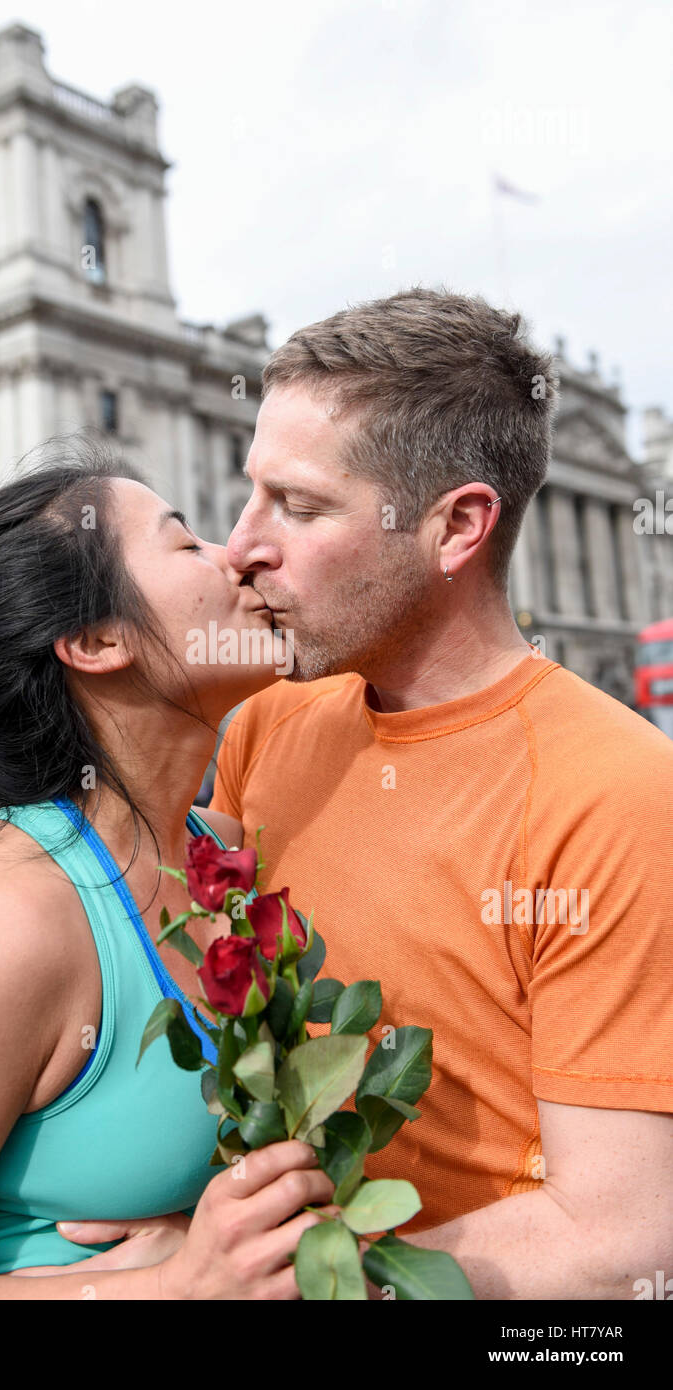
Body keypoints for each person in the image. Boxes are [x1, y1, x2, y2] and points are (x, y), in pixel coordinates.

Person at [50, 288, 673, 1300]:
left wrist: (298, 1274)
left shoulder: (619, 792)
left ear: (457, 527)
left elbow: (617, 1238)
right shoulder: (265, 722)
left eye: (295, 505)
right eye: (253, 493)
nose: (241, 543)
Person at [0, 440, 334, 1300]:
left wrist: (201, 1229)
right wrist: (168, 1289)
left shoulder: (219, 849)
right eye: (183, 541)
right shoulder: (4, 921)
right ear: (95, 640)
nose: (235, 554)